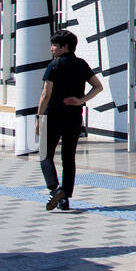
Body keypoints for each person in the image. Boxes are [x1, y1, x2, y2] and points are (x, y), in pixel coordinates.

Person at [35, 30, 103, 212]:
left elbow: (46, 94)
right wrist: (81, 100)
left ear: (64, 47)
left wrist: (39, 117)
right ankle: (64, 199)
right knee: (68, 157)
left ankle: (54, 188)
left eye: (55, 45)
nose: (51, 49)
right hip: (74, 116)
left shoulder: (54, 66)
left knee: (45, 154)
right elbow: (98, 86)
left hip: (54, 116)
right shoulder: (81, 64)